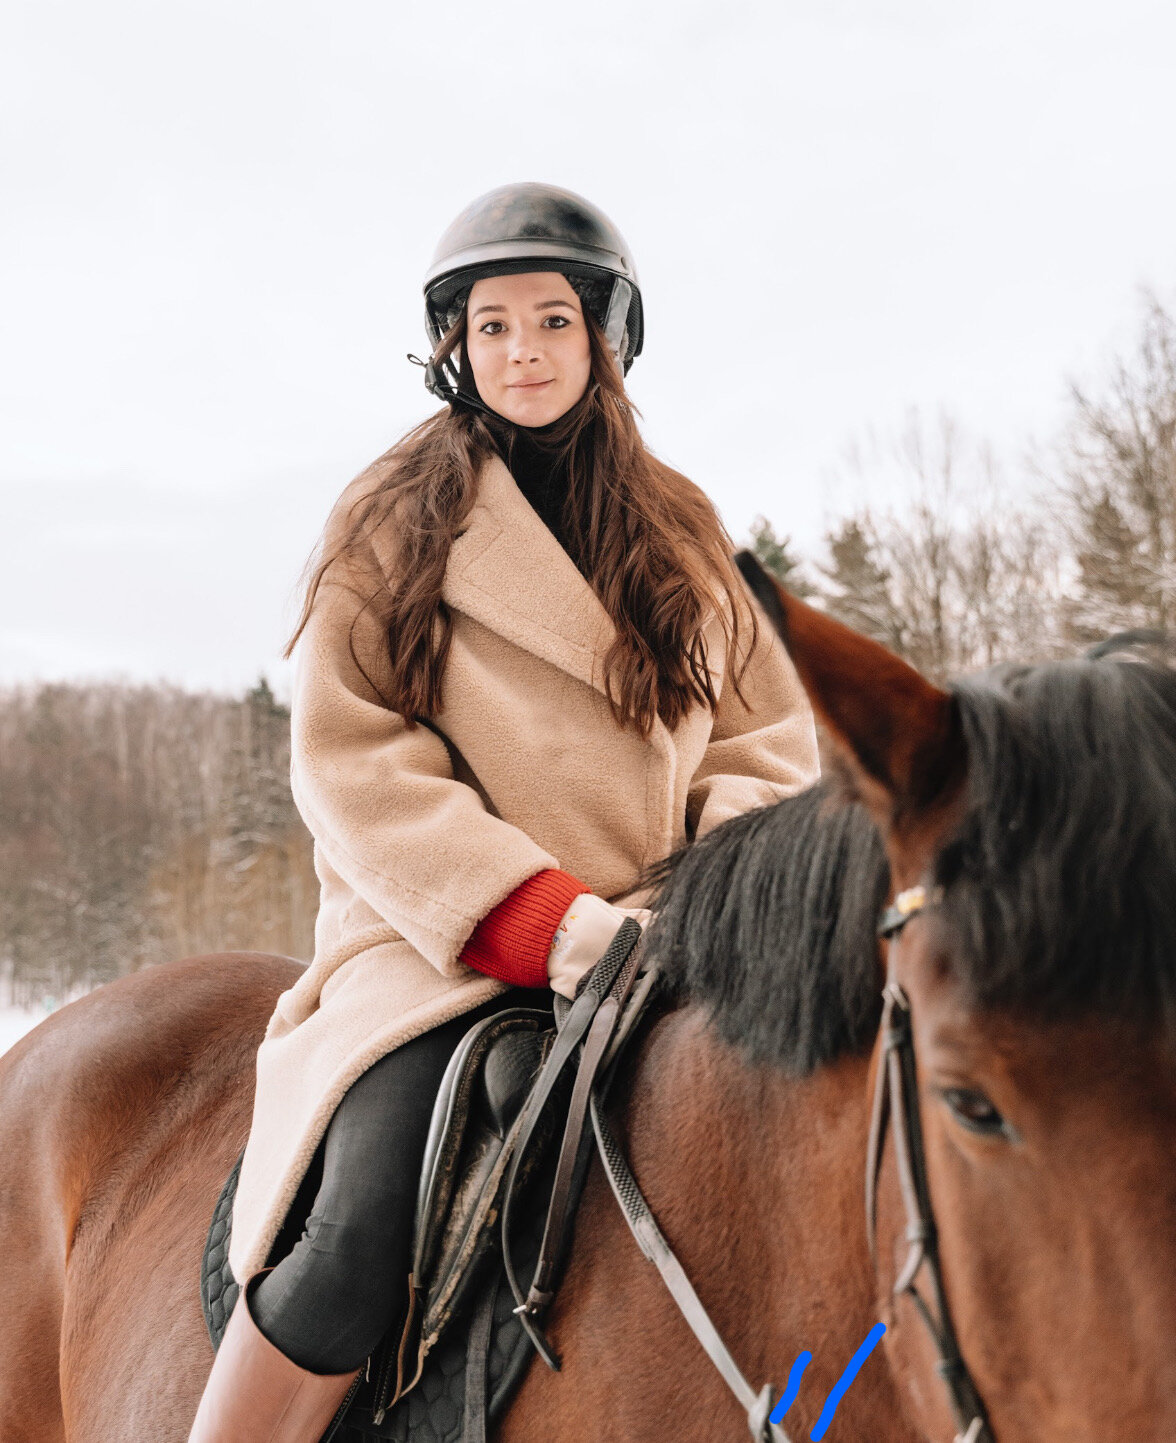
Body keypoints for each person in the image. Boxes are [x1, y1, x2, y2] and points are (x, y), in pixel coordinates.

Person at [188, 182, 820, 1443]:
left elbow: (764, 742)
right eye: (492, 327)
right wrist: (548, 924)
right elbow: (357, 764)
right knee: (358, 1230)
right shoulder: (392, 519)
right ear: (455, 347)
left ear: (605, 337)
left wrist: (701, 903)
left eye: (551, 321)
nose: (522, 351)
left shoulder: (683, 528)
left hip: (667, 940)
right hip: (439, 951)